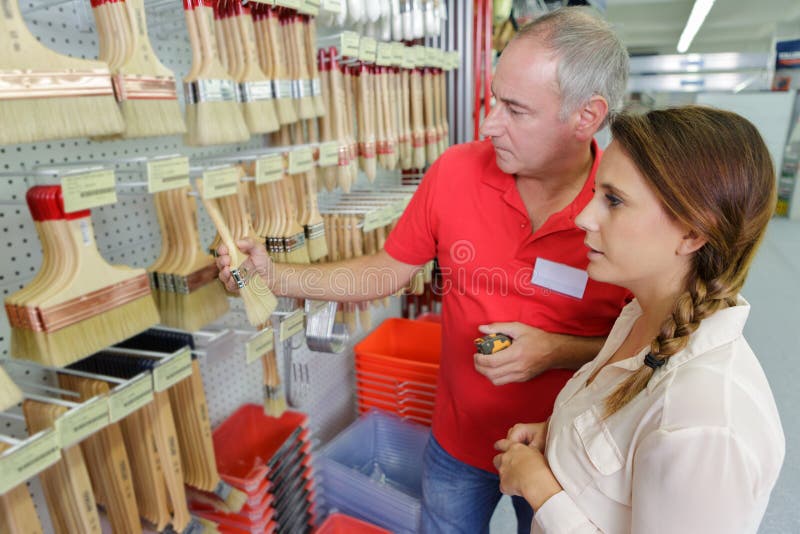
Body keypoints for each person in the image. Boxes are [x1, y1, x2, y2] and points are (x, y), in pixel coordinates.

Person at [216, 8, 631, 533]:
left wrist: (557, 350)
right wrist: (274, 276)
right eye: (493, 98)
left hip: (565, 458)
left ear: (586, 117)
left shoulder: (625, 210)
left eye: (515, 109)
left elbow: (650, 350)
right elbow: (384, 272)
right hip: (455, 445)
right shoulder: (455, 171)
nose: (488, 123)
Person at [493, 106, 786, 533]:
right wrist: (561, 441)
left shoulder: (706, 424)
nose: (583, 218)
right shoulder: (642, 314)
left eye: (613, 200)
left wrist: (541, 488)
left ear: (692, 232)